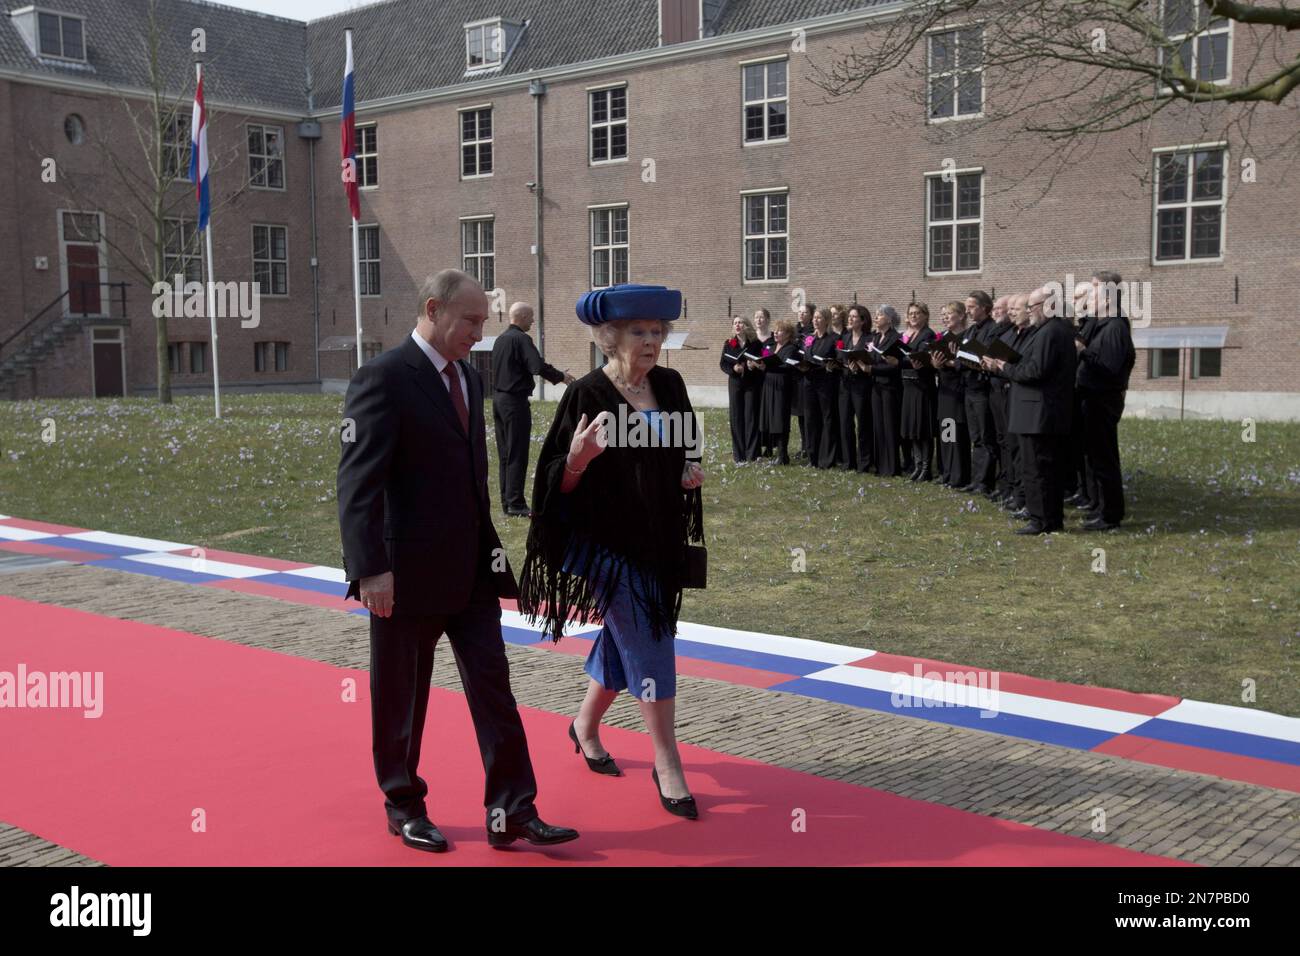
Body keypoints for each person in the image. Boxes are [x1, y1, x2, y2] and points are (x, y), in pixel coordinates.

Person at [337, 268, 578, 853]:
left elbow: (473, 483)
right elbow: (357, 483)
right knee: (402, 695)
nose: (480, 331)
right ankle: (403, 803)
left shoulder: (471, 379)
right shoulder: (383, 378)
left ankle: (512, 810)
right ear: (433, 308)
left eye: (483, 321)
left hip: (470, 570)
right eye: (470, 320)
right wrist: (369, 568)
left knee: (494, 687)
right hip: (403, 576)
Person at [518, 282, 706, 819]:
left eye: (657, 332)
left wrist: (688, 473)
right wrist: (578, 458)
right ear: (609, 337)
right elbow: (553, 483)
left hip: (657, 540)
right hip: (604, 544)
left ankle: (583, 724)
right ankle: (667, 759)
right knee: (650, 636)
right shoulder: (588, 396)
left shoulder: (669, 385)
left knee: (627, 637)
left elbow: (684, 450)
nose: (651, 341)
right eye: (639, 332)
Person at [983, 286, 1076, 534]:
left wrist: (1004, 367)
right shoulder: (1048, 331)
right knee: (1042, 467)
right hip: (1039, 411)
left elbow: (1035, 371)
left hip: (1039, 413)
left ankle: (1041, 520)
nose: (1030, 311)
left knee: (1037, 469)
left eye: (1033, 306)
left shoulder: (1051, 332)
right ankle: (1049, 518)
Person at [491, 302, 575, 517]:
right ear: (523, 316)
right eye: (531, 317)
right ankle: (517, 504)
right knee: (517, 453)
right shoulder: (521, 339)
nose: (533, 321)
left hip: (498, 400)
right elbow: (536, 366)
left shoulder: (500, 340)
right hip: (515, 402)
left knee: (504, 454)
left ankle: (507, 503)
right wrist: (562, 377)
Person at [1076, 269, 1135, 530]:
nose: (1091, 293)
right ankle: (1101, 507)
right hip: (1091, 398)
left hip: (1103, 400)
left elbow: (1109, 367)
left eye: (1095, 287)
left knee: (1105, 458)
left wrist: (1083, 352)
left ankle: (1111, 515)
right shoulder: (1101, 324)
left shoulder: (1115, 326)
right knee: (1095, 457)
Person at [960, 290, 999, 496]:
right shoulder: (969, 331)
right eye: (966, 307)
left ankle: (986, 482)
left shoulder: (993, 329)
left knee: (986, 436)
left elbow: (988, 356)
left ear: (984, 308)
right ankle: (976, 480)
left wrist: (971, 357)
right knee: (975, 436)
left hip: (983, 389)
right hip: (969, 387)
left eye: (972, 307)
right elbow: (962, 356)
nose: (968, 311)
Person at [930, 301, 970, 488]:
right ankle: (946, 473)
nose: (944, 317)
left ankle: (958, 476)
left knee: (956, 435)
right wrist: (936, 364)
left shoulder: (967, 338)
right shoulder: (942, 339)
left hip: (959, 392)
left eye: (948, 313)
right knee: (946, 433)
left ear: (961, 316)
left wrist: (953, 362)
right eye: (943, 314)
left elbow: (970, 365)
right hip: (945, 392)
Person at [900, 302, 937, 481]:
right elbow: (901, 355)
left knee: (923, 428)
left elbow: (921, 354)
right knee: (912, 428)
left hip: (922, 386)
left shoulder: (928, 334)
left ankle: (926, 468)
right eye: (911, 313)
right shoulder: (906, 335)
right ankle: (917, 464)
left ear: (925, 316)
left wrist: (902, 359)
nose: (913, 316)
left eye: (917, 313)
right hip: (908, 385)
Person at [720, 315, 763, 462]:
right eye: (735, 323)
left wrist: (753, 366)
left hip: (752, 384)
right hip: (736, 384)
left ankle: (752, 454)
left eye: (741, 323)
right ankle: (739, 455)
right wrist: (733, 368)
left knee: (751, 417)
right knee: (736, 417)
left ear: (746, 326)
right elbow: (723, 364)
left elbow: (761, 362)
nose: (738, 325)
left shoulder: (756, 344)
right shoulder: (729, 343)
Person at [803, 307, 841, 468]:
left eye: (819, 318)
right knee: (811, 420)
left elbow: (839, 359)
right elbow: (805, 356)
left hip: (826, 384)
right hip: (809, 383)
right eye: (814, 318)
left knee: (827, 419)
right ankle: (813, 457)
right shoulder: (809, 339)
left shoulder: (834, 339)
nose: (815, 320)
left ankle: (828, 458)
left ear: (826, 320)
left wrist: (831, 366)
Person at [869, 304, 904, 476]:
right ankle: (880, 464)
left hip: (890, 387)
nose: (876, 318)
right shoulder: (876, 338)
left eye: (880, 315)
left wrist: (872, 369)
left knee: (890, 425)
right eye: (875, 315)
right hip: (876, 386)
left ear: (889, 319)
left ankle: (892, 466)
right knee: (878, 425)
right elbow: (874, 360)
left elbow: (894, 366)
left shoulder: (896, 338)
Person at [761, 318, 802, 464]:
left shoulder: (791, 348)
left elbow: (788, 367)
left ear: (788, 334)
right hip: (769, 385)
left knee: (780, 419)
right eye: (776, 330)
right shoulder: (772, 347)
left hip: (781, 387)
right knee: (770, 418)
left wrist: (769, 366)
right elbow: (767, 362)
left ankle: (783, 454)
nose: (776, 333)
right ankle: (771, 450)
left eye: (780, 331)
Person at [839, 304, 873, 473]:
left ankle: (864, 462)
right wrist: (846, 366)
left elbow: (871, 359)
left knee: (863, 424)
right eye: (849, 317)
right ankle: (848, 461)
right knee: (845, 424)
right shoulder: (844, 337)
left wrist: (859, 367)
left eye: (854, 317)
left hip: (862, 386)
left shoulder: (869, 339)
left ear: (862, 320)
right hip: (845, 385)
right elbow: (840, 356)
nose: (850, 319)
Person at [753, 308, 778, 457]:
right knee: (755, 412)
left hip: (768, 378)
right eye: (756, 317)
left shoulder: (773, 338)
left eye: (762, 317)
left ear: (768, 320)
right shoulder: (752, 338)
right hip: (753, 380)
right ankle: (756, 444)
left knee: (767, 412)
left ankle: (769, 446)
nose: (759, 320)